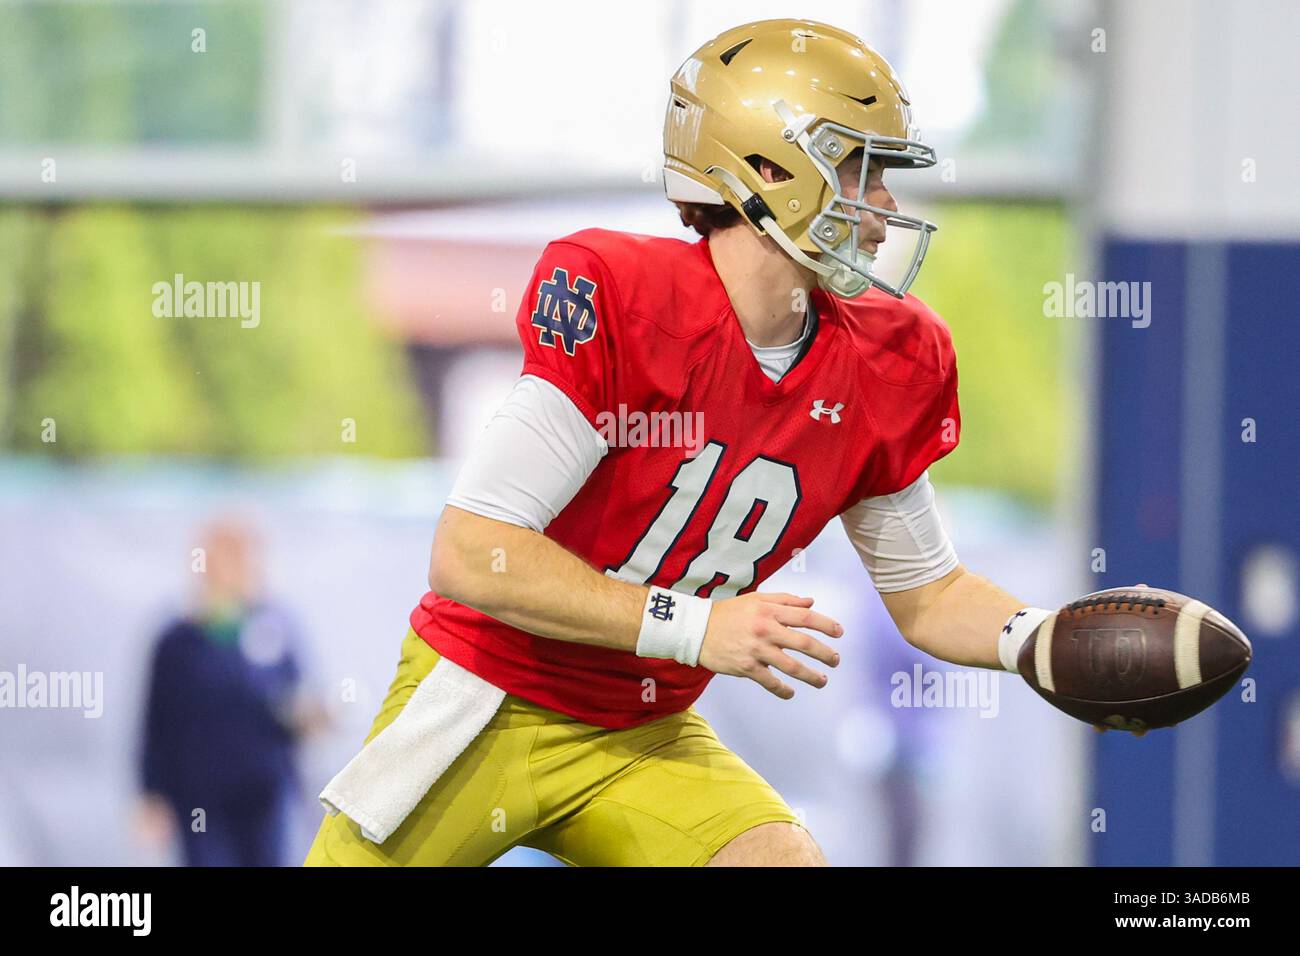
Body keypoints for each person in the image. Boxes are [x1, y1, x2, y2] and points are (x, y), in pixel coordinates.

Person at [305, 17, 1136, 869]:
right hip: (488, 695)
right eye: (860, 169)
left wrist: (1043, 640)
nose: (884, 207)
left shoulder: (885, 363)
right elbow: (473, 553)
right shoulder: (623, 298)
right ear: (766, 169)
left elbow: (930, 594)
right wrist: (694, 626)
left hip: (642, 727)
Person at [138, 518, 322, 866]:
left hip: (264, 791)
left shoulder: (275, 626)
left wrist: (311, 716)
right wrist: (151, 794)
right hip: (201, 796)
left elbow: (295, 697)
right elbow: (156, 721)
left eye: (242, 556)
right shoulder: (178, 639)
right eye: (224, 557)